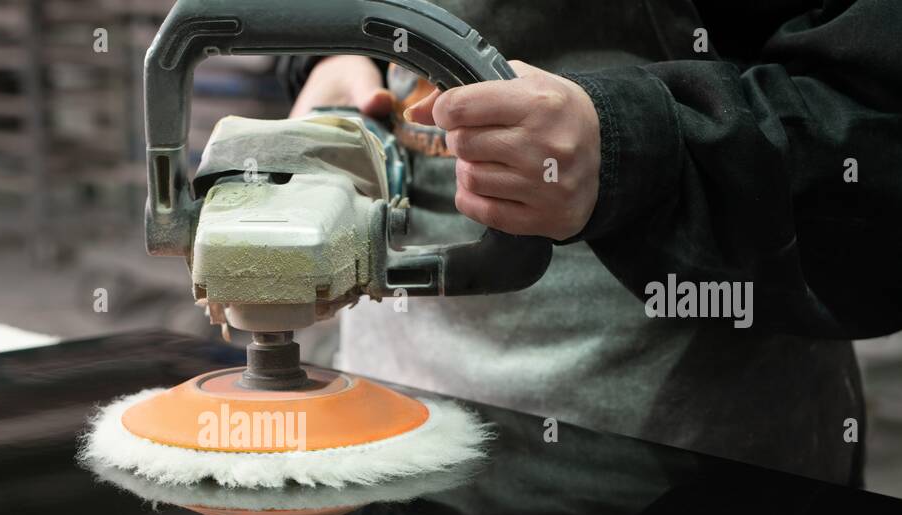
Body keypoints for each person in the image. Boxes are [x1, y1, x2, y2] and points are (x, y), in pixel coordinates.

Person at [279, 0, 902, 486]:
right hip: (393, 428)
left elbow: (876, 132)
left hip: (692, 483)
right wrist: (330, 57)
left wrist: (638, 147)